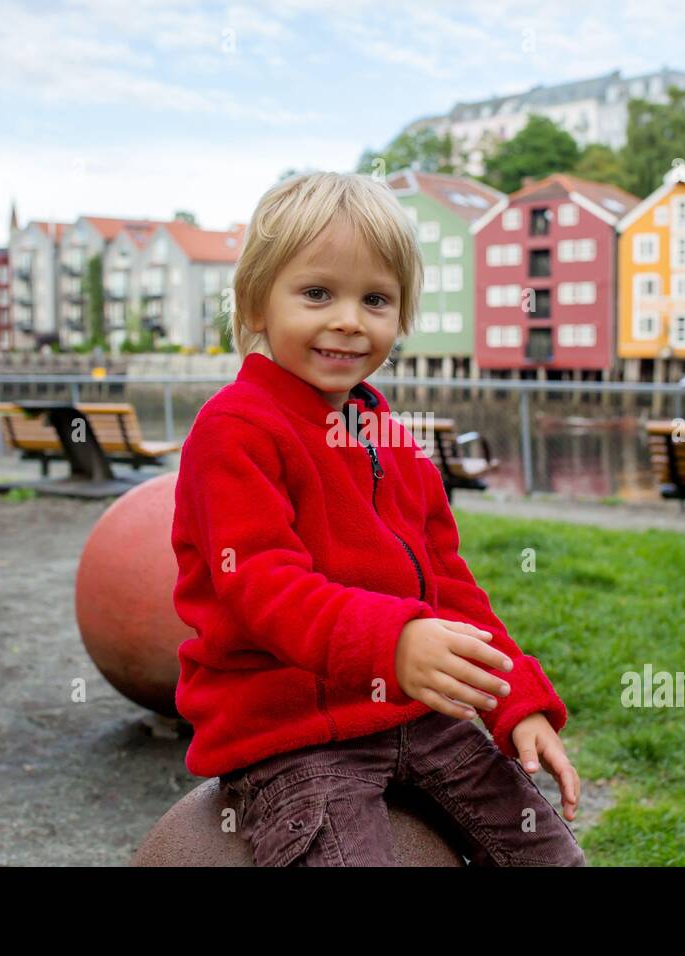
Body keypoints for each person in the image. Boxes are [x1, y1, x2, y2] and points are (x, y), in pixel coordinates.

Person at [169, 171, 584, 867]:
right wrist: (393, 643)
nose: (349, 320)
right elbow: (263, 584)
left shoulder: (388, 436)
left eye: (376, 299)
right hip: (291, 731)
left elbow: (450, 585)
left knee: (546, 852)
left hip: (416, 716)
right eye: (317, 294)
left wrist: (518, 702)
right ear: (256, 304)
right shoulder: (234, 430)